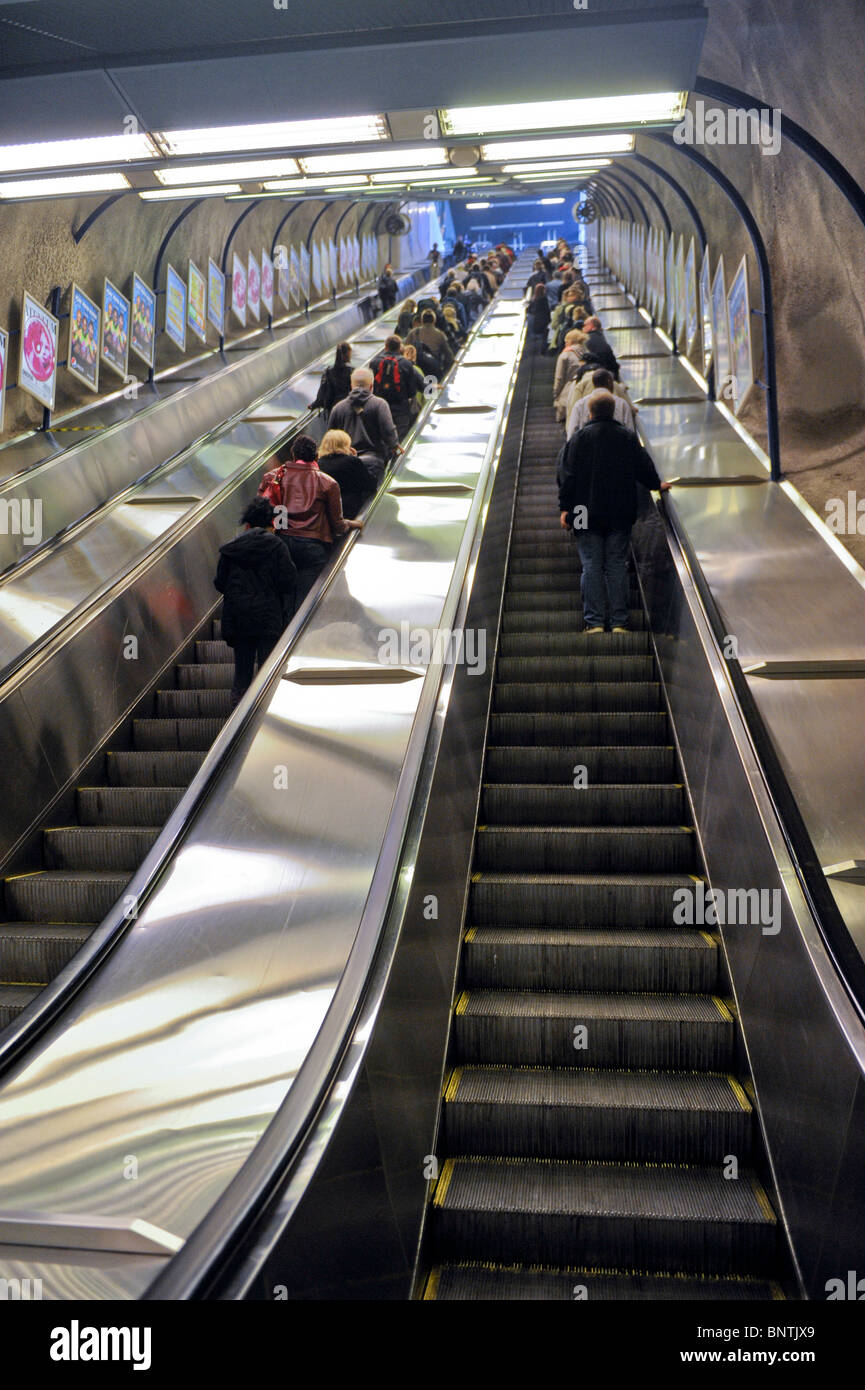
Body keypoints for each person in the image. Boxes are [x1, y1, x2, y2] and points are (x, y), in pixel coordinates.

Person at [558, 391, 670, 633]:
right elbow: (644, 466)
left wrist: (565, 509)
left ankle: (595, 622)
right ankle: (619, 622)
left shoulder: (578, 439)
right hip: (619, 510)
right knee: (617, 564)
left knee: (591, 565)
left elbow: (567, 477)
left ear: (590, 413)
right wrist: (656, 484)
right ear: (614, 412)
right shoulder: (627, 437)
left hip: (583, 511)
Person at [214, 496, 298, 707]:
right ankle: (263, 716)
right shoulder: (277, 546)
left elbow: (219, 583)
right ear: (270, 524)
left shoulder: (230, 549)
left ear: (248, 524)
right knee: (266, 669)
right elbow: (289, 581)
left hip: (238, 618)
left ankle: (237, 716)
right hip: (268, 617)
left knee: (241, 673)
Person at [259, 434, 362, 602]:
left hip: (282, 542)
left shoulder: (274, 477)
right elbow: (337, 525)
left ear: (293, 456)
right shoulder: (328, 483)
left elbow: (265, 507)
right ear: (316, 456)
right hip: (313, 546)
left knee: (284, 593)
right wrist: (350, 523)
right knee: (307, 598)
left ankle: (286, 626)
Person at [327, 366, 402, 483]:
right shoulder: (379, 404)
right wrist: (395, 445)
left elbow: (330, 438)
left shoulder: (338, 408)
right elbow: (388, 432)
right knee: (373, 498)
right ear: (372, 386)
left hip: (346, 464)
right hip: (373, 463)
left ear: (351, 385)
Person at [317, 429, 376, 518]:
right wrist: (356, 458)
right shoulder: (351, 461)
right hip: (349, 510)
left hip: (325, 511)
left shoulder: (318, 464)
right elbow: (370, 484)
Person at [567, 368, 636, 437]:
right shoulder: (622, 404)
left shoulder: (580, 404)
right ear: (609, 382)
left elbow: (572, 432)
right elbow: (630, 430)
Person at [370, 334, 417, 437]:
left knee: (382, 435)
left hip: (380, 406)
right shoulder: (406, 363)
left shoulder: (374, 362)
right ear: (400, 347)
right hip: (400, 406)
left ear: (386, 346)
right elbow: (411, 391)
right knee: (401, 435)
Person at [406, 309, 454, 377]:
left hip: (416, 370)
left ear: (422, 320)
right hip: (433, 371)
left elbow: (405, 351)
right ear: (434, 320)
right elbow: (448, 355)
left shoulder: (413, 333)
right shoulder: (440, 334)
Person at [553, 329, 588, 422]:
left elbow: (559, 378)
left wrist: (556, 394)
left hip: (568, 393)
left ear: (571, 342)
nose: (565, 344)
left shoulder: (565, 355)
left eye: (566, 342)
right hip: (585, 391)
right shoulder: (587, 353)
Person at [310, 341, 352, 415]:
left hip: (333, 410)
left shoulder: (329, 371)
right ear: (348, 354)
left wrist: (314, 404)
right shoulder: (352, 371)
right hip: (348, 409)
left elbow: (323, 391)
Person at [526, 282, 551, 347]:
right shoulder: (544, 299)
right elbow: (547, 310)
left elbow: (529, 309)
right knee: (543, 336)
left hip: (534, 319)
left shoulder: (533, 298)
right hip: (543, 319)